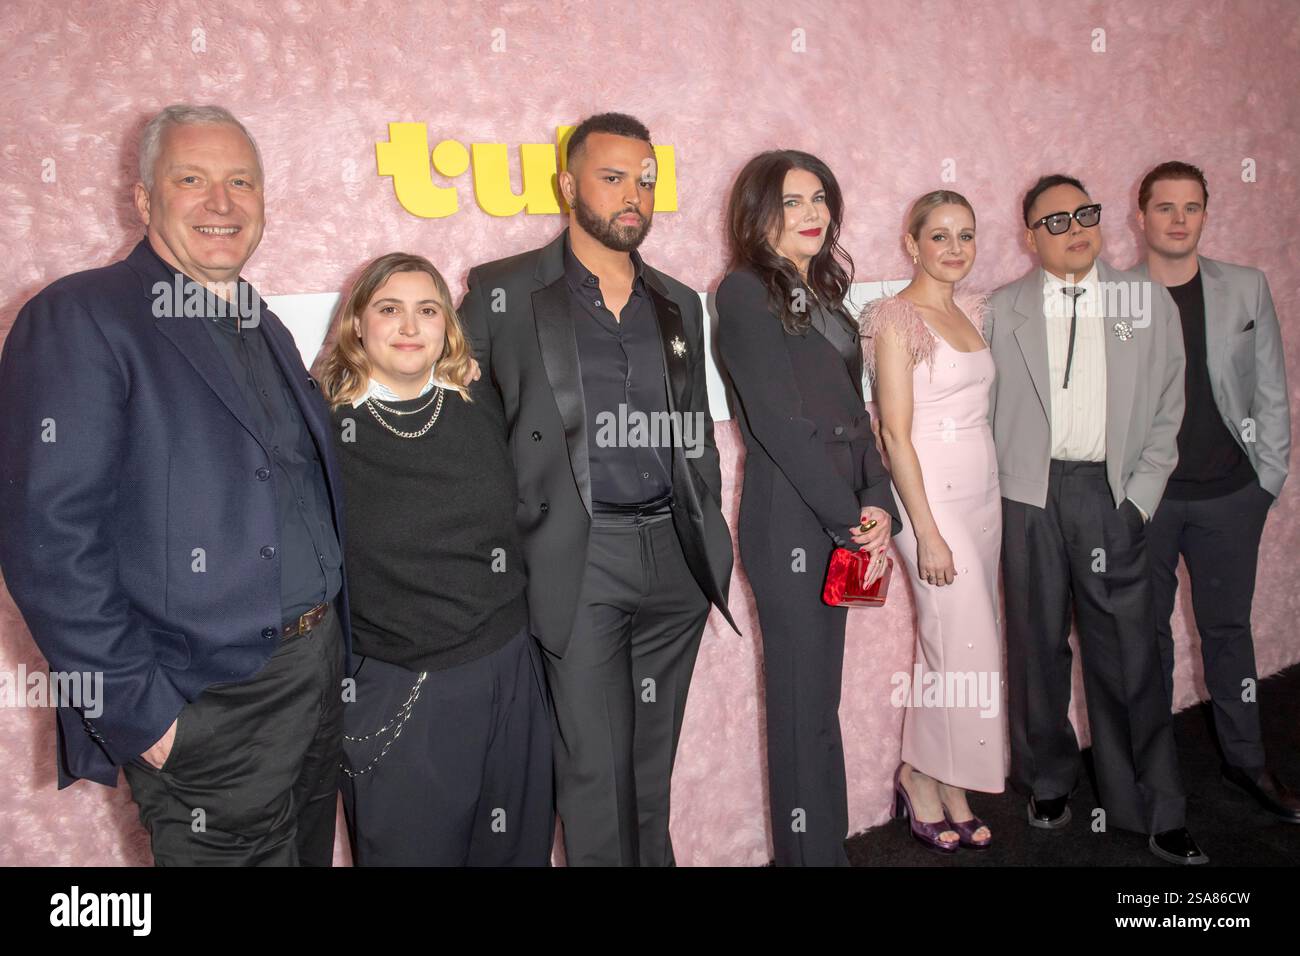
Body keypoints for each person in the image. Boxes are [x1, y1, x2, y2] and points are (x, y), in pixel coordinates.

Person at [0, 104, 348, 865]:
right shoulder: (79, 316)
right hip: (207, 701)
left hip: (316, 677)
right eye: (192, 179)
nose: (221, 203)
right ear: (145, 199)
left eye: (241, 182)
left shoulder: (260, 321)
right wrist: (142, 712)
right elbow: (47, 541)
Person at [458, 112, 736, 866]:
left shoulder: (680, 299)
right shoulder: (503, 291)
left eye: (645, 181)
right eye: (613, 178)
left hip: (675, 562)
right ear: (567, 185)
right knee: (593, 775)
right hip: (579, 562)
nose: (633, 196)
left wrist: (709, 520)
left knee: (650, 772)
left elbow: (695, 430)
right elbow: (471, 439)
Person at [987, 172, 1207, 864]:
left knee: (1129, 654)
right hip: (1027, 497)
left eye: (1085, 213)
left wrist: (1139, 499)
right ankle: (1048, 778)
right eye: (1055, 221)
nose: (1076, 227)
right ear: (1029, 237)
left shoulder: (1143, 301)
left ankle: (1148, 804)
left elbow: (1171, 407)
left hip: (1108, 495)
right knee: (1036, 646)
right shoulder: (1000, 309)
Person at [318, 252, 554, 865]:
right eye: (389, 309)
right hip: (403, 686)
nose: (409, 325)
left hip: (508, 668)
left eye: (428, 310)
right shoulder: (322, 427)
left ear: (448, 326)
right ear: (356, 324)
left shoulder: (480, 401)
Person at [716, 150, 897, 866]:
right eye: (792, 201)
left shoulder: (825, 298)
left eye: (819, 198)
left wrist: (879, 502)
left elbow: (857, 414)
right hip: (792, 520)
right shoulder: (741, 292)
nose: (813, 213)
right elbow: (780, 426)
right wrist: (848, 519)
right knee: (800, 713)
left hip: (840, 514)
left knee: (819, 710)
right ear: (757, 213)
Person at [1134, 161, 1299, 823]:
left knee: (1228, 631)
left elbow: (1272, 390)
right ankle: (1154, 774)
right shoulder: (1121, 300)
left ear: (1206, 214)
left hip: (1232, 496)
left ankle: (1246, 760)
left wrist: (1269, 479)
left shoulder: (1245, 288)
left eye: (1192, 207)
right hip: (1149, 501)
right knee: (1145, 638)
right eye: (1166, 206)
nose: (1178, 219)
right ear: (1140, 215)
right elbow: (1116, 389)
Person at [863, 190, 1004, 852]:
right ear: (911, 243)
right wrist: (925, 531)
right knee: (960, 643)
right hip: (933, 501)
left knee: (957, 646)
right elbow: (894, 432)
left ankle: (949, 779)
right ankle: (921, 775)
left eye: (966, 236)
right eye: (940, 236)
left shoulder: (971, 312)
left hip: (985, 494)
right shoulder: (894, 318)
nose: (955, 249)